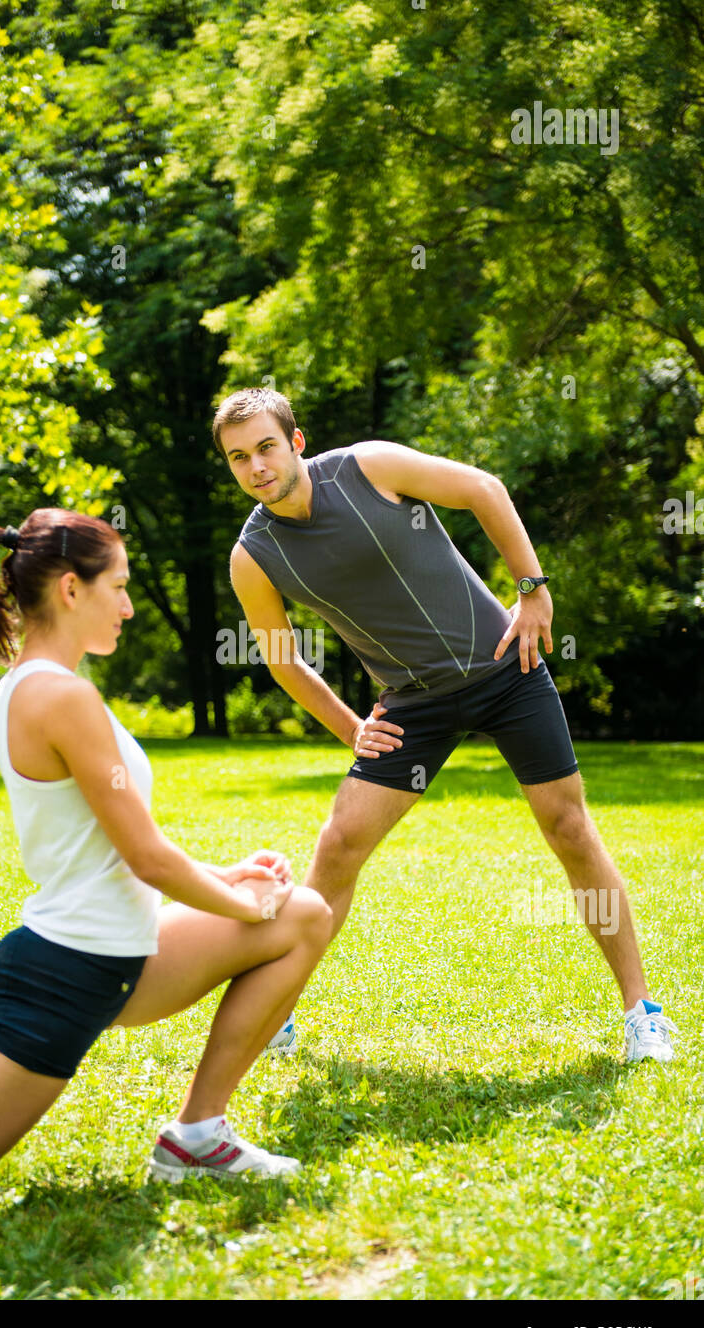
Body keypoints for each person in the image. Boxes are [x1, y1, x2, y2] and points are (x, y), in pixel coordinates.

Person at [0, 509, 333, 1201]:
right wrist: (239, 901)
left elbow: (117, 844)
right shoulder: (57, 695)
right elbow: (149, 860)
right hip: (61, 980)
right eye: (120, 587)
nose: (129, 607)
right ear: (71, 589)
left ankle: (197, 1137)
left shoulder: (39, 684)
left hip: (120, 957)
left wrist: (226, 876)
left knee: (302, 914)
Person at [216, 386, 676, 1065]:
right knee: (338, 845)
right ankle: (275, 1014)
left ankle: (641, 1012)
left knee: (568, 828)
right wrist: (349, 728)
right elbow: (282, 660)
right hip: (411, 704)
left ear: (295, 442)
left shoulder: (368, 466)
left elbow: (484, 489)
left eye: (265, 447)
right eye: (237, 457)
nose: (255, 466)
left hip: (504, 667)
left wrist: (531, 588)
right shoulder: (252, 555)